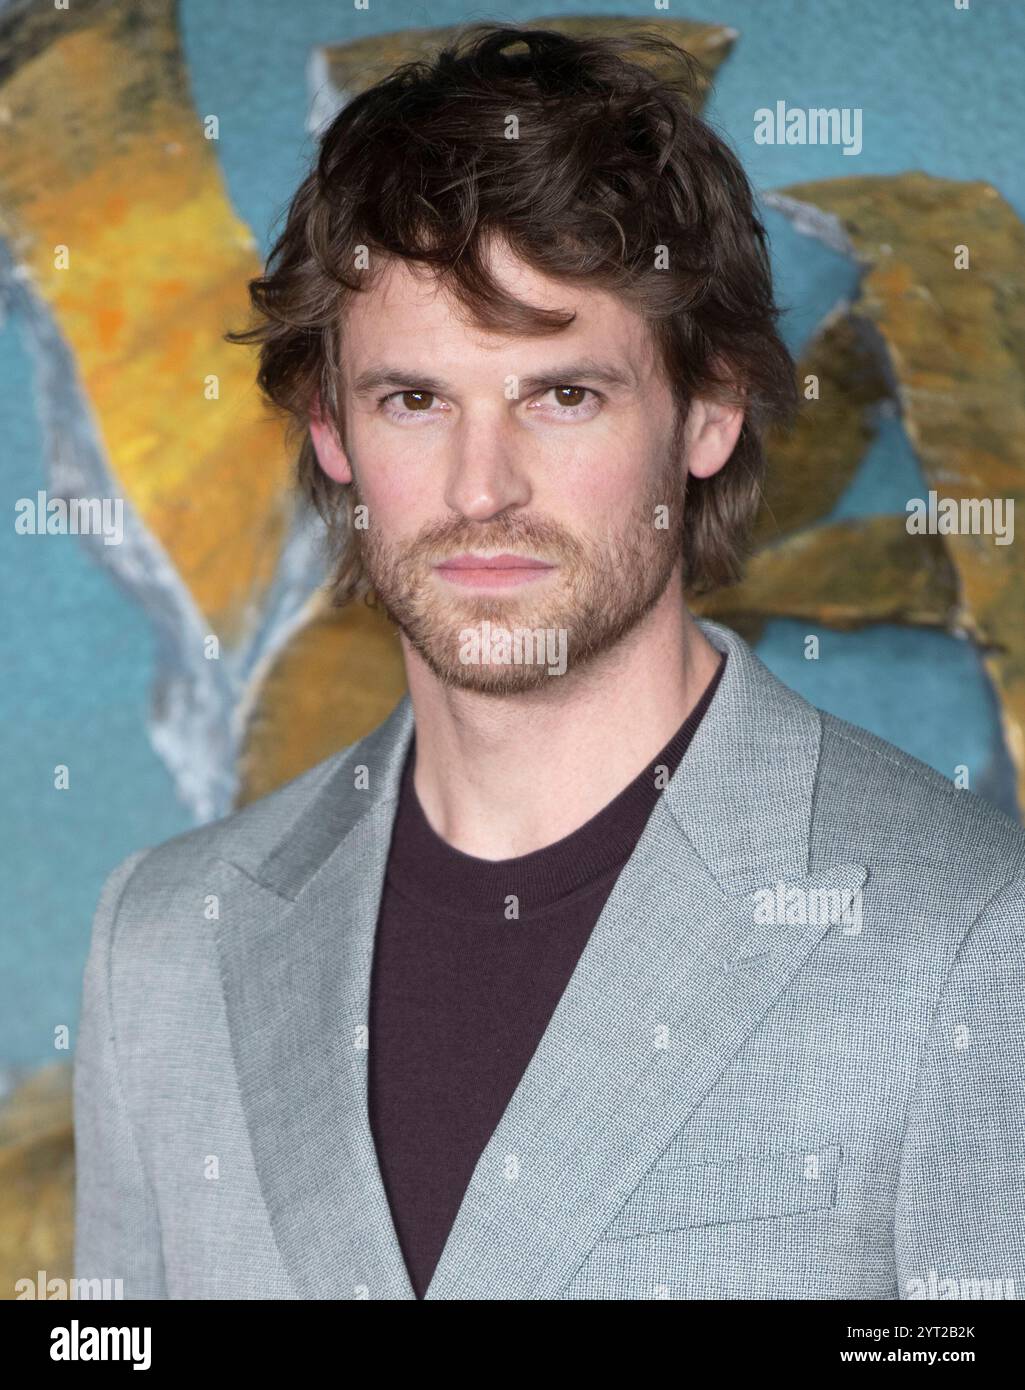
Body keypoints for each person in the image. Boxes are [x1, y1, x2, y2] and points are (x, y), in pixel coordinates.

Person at [74, 23, 1025, 1301]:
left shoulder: (965, 936)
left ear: (707, 412)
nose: (481, 489)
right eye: (417, 399)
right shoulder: (161, 947)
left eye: (560, 395)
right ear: (334, 430)